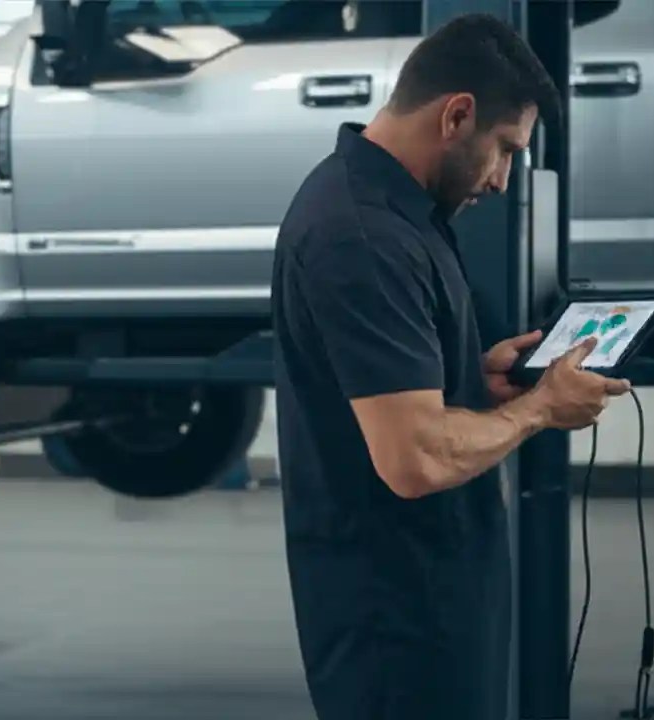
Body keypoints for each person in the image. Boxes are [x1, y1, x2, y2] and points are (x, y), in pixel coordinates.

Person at [270, 13, 632, 720]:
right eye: (504, 150)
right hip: (396, 627)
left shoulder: (402, 215)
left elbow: (403, 404)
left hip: (430, 603)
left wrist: (477, 384)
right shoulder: (364, 234)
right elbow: (415, 460)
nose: (502, 179)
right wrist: (539, 408)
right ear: (456, 115)